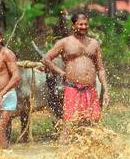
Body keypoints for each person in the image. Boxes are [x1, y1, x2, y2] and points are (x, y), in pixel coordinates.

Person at [41, 11, 109, 142]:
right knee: (69, 123)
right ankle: (63, 157)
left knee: (93, 123)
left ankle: (90, 155)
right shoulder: (65, 42)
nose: (83, 27)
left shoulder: (94, 43)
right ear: (73, 25)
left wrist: (105, 90)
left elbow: (100, 69)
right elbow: (46, 59)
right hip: (72, 88)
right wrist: (61, 73)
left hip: (90, 88)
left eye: (85, 24)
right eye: (80, 24)